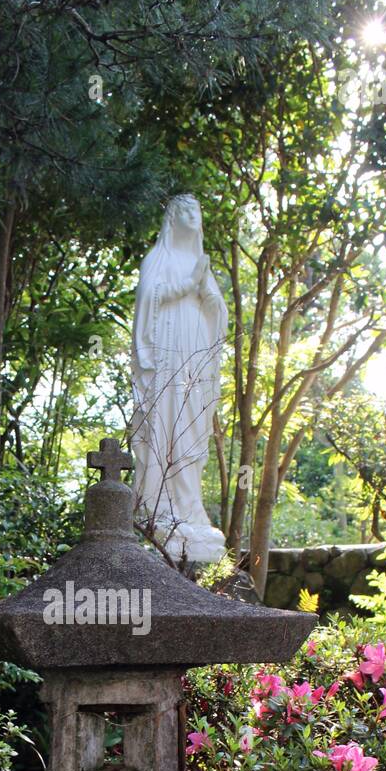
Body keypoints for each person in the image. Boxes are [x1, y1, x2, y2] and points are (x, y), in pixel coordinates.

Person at [130, 193, 228, 562]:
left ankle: (189, 508)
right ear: (172, 217)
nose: (192, 215)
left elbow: (218, 312)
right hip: (168, 347)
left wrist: (204, 291)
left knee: (191, 426)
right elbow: (147, 296)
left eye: (197, 210)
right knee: (166, 421)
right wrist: (185, 287)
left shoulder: (201, 262)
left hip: (195, 350)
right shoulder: (160, 258)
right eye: (184, 209)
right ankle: (157, 506)